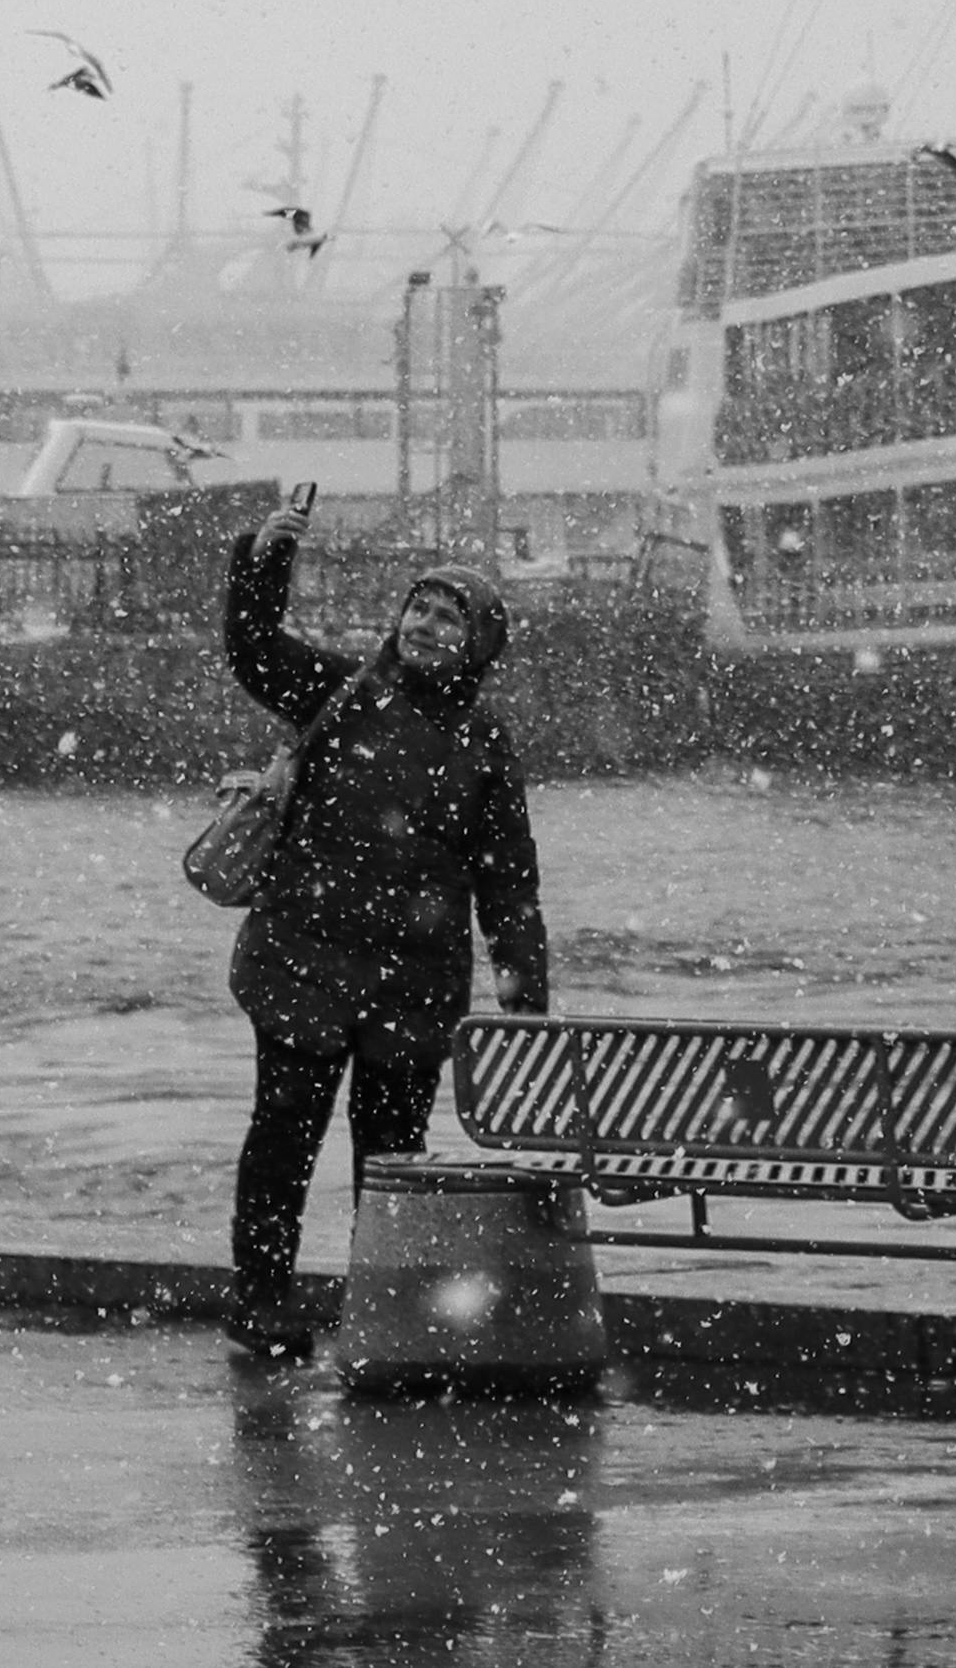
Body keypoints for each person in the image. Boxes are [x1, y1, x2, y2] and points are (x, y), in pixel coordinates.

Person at [221, 495, 547, 1360]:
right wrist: (265, 562)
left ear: (477, 646)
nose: (425, 627)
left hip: (409, 986)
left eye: (448, 618)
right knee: (282, 1139)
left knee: (391, 1158)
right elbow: (252, 647)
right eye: (419, 608)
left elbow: (508, 887)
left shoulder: (483, 744)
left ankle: (382, 1311)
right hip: (303, 963)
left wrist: (525, 1009)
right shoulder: (339, 692)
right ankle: (261, 1303)